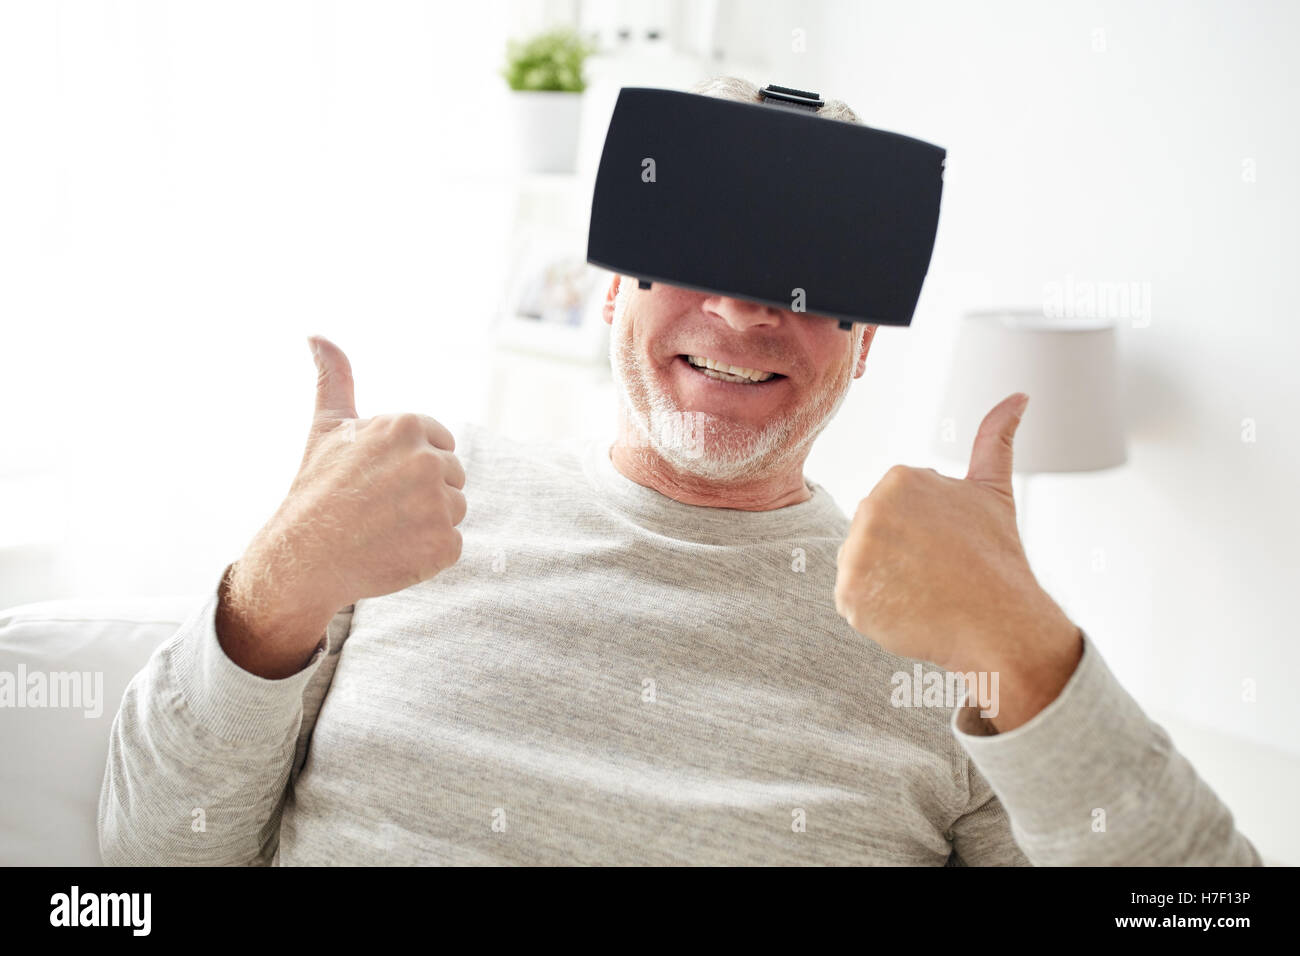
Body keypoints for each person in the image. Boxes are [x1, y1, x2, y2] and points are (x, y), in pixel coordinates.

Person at [98, 77, 1261, 866]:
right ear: (612, 288)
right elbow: (141, 863)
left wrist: (1029, 651)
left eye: (808, 281)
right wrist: (276, 584)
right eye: (696, 253)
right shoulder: (402, 512)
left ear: (863, 344)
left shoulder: (947, 639)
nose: (749, 305)